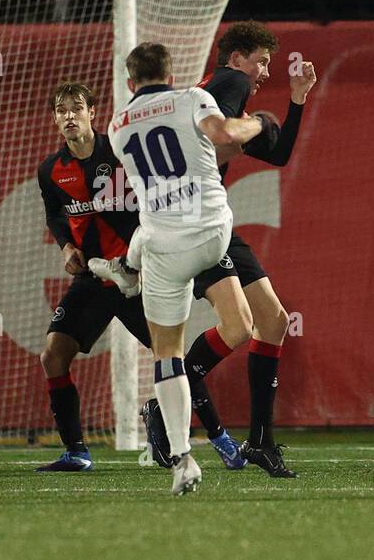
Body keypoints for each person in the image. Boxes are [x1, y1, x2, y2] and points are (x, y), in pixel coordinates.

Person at [105, 42, 261, 494]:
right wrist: (259, 121)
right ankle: (128, 265)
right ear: (171, 77)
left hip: (166, 246)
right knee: (238, 323)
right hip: (213, 231)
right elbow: (226, 134)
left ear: (131, 84)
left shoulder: (117, 125)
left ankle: (183, 460)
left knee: (166, 355)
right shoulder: (192, 97)